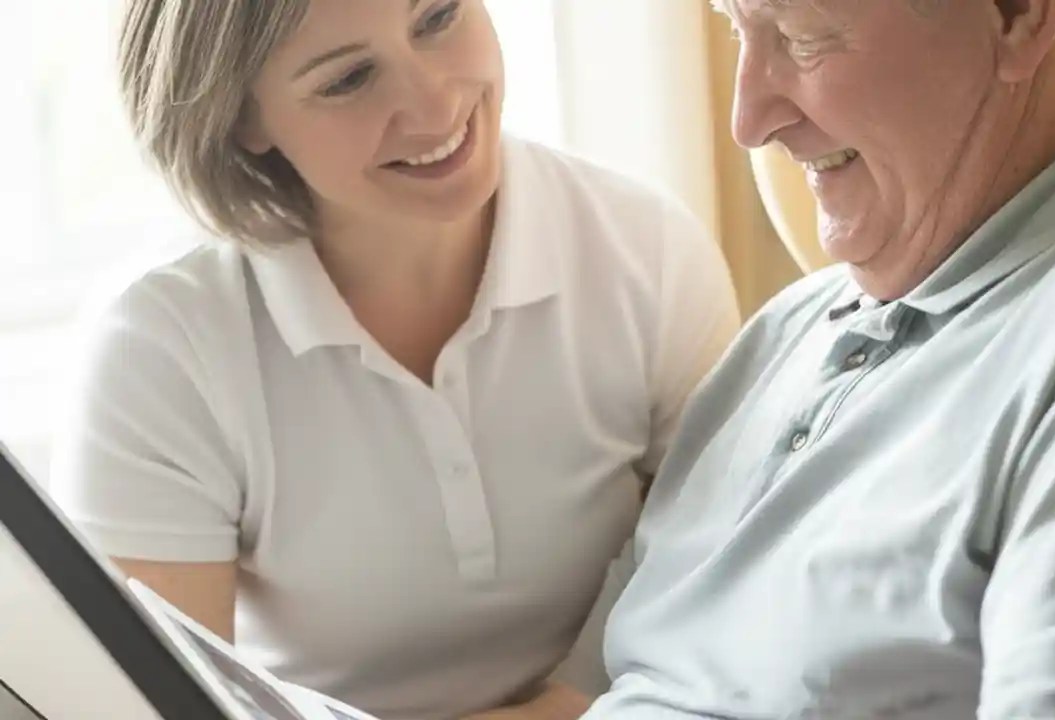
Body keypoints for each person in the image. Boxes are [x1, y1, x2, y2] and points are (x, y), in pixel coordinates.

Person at [578, 0, 1055, 717]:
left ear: (1017, 16)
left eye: (801, 36)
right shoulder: (785, 331)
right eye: (736, 29)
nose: (749, 119)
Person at [49, 1, 740, 719]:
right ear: (243, 120)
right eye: (348, 79)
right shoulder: (162, 345)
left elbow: (724, 591)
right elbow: (153, 706)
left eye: (438, 17)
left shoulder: (646, 250)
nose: (434, 103)